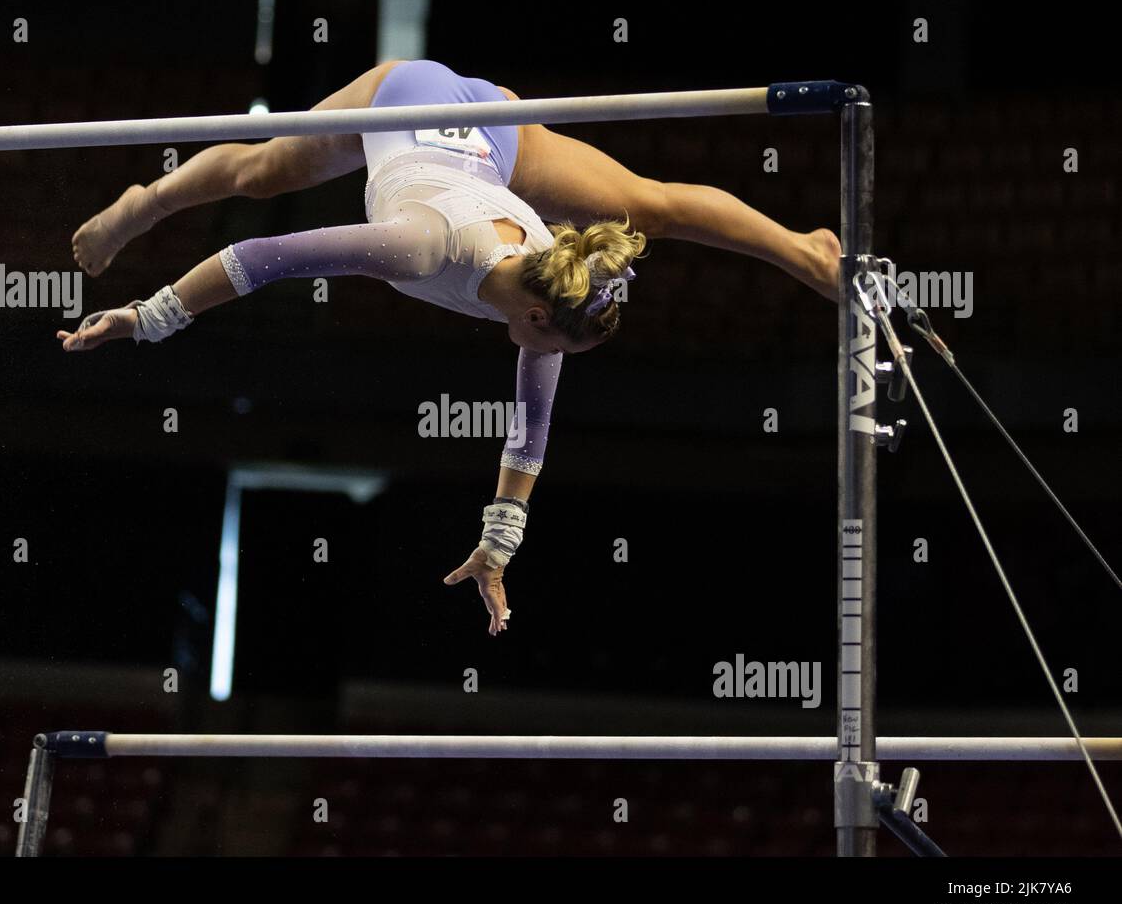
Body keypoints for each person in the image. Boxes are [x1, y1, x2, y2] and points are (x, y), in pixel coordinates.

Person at [60, 60, 840, 635]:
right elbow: (265, 259)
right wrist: (147, 315)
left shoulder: (552, 274)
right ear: (538, 319)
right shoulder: (421, 246)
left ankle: (806, 251)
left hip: (494, 126)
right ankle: (146, 200)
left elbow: (528, 431)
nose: (551, 361)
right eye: (560, 349)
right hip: (406, 95)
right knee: (264, 172)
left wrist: (499, 543)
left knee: (650, 207)